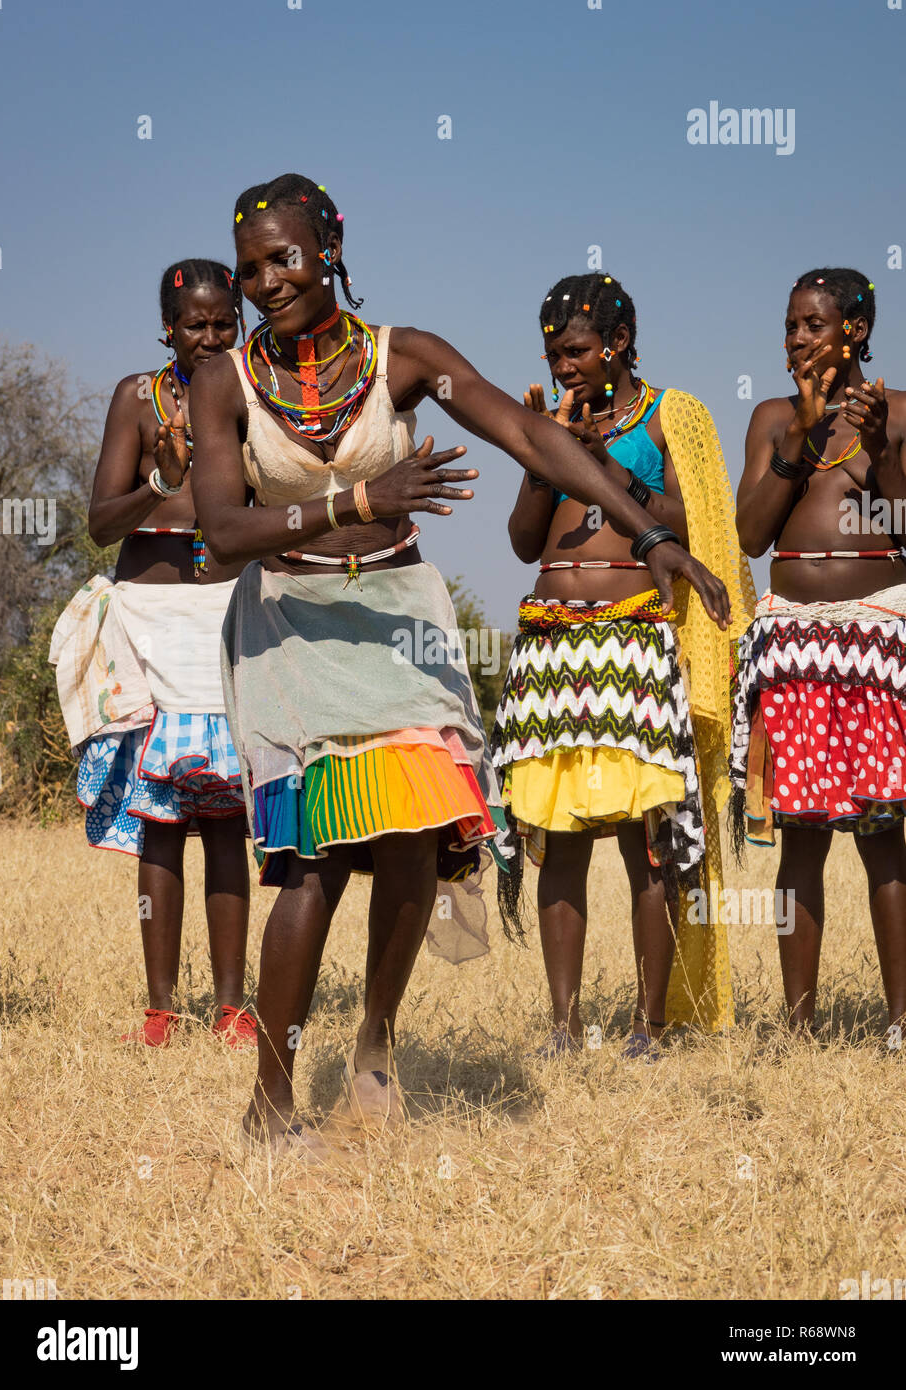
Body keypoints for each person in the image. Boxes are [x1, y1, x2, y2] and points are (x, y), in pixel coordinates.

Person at [189, 173, 731, 1158]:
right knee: (311, 861)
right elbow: (222, 534)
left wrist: (648, 531)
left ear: (331, 250)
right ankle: (270, 1105)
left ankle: (376, 1048)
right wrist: (355, 501)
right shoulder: (223, 381)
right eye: (252, 265)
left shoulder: (405, 359)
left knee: (411, 842)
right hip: (290, 626)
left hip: (399, 618)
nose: (268, 280)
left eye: (288, 257)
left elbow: (527, 431)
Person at [490, 273, 755, 1060]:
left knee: (648, 840)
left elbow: (693, 522)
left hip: (635, 639)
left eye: (575, 350)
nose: (564, 364)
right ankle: (564, 1025)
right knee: (560, 837)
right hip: (552, 641)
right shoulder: (551, 425)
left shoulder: (673, 416)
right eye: (552, 352)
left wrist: (606, 464)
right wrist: (544, 454)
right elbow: (521, 541)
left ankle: (648, 1023)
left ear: (617, 343)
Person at [50, 260, 255, 1048]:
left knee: (228, 819)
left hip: (229, 618)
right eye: (193, 324)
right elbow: (102, 523)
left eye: (222, 323)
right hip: (149, 622)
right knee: (162, 820)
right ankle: (162, 1008)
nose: (209, 337)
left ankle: (234, 1006)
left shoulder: (250, 394)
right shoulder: (137, 399)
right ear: (165, 328)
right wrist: (160, 479)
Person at [731, 267, 906, 1036]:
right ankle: (797, 1027)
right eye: (789, 326)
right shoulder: (773, 417)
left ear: (855, 332)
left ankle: (900, 1020)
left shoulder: (898, 413)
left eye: (810, 325)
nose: (794, 340)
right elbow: (746, 535)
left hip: (874, 638)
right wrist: (797, 440)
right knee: (798, 836)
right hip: (793, 643)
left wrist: (881, 450)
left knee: (882, 835)